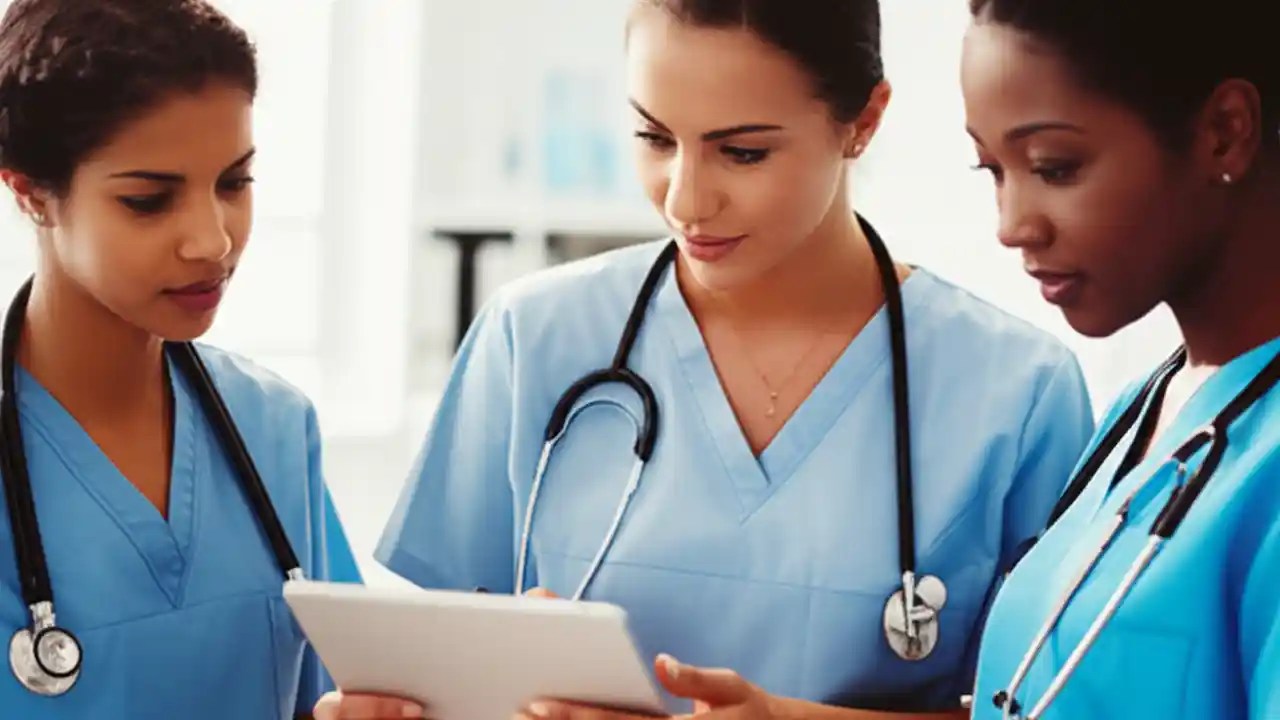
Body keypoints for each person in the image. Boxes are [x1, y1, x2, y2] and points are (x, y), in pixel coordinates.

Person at [317, 1, 1093, 718]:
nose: (684, 201)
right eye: (655, 139)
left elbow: (1053, 705)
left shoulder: (1016, 393)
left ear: (863, 121)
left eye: (743, 153)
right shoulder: (534, 339)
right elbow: (442, 677)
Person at [0, 1, 359, 717]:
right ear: (31, 193)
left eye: (233, 184)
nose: (213, 240)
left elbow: (337, 692)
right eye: (149, 200)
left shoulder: (275, 428)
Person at [959, 1, 1280, 718]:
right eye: (993, 169)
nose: (1012, 226)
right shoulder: (1146, 410)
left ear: (1225, 132)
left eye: (1055, 167)